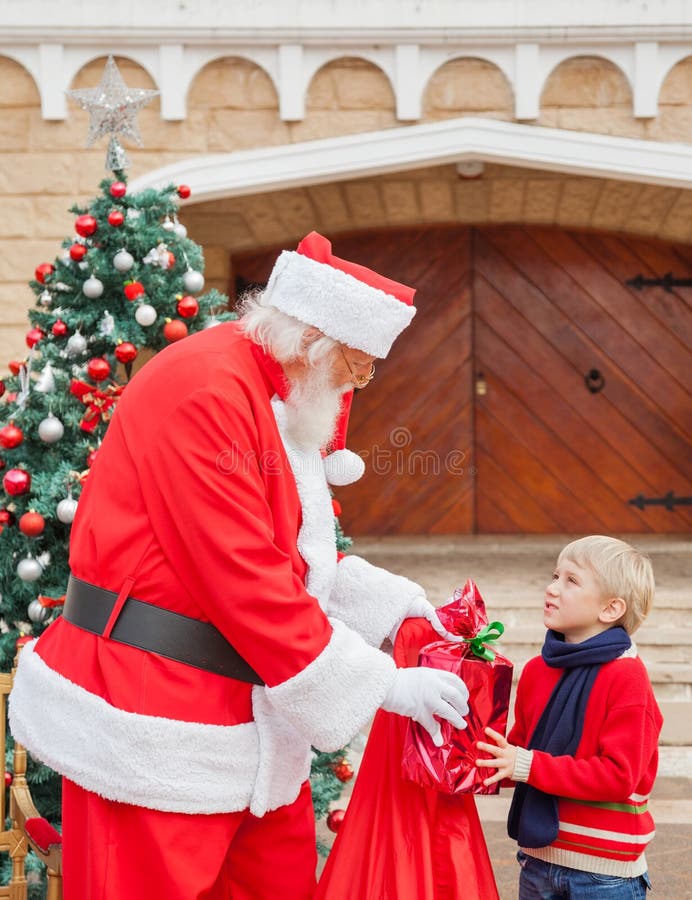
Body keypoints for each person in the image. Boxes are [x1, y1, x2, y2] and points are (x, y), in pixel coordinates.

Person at [9, 231, 470, 900]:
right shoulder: (207, 390)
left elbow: (293, 551)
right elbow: (242, 575)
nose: (361, 383)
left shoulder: (280, 392)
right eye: (359, 364)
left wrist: (390, 604)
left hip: (247, 724)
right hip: (157, 718)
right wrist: (380, 686)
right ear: (314, 339)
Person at [476, 535, 662, 899]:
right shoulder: (536, 671)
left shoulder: (627, 677)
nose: (552, 588)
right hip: (537, 862)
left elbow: (619, 776)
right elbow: (517, 754)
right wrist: (470, 758)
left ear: (610, 609)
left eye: (571, 581)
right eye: (554, 576)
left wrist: (524, 765)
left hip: (604, 876)